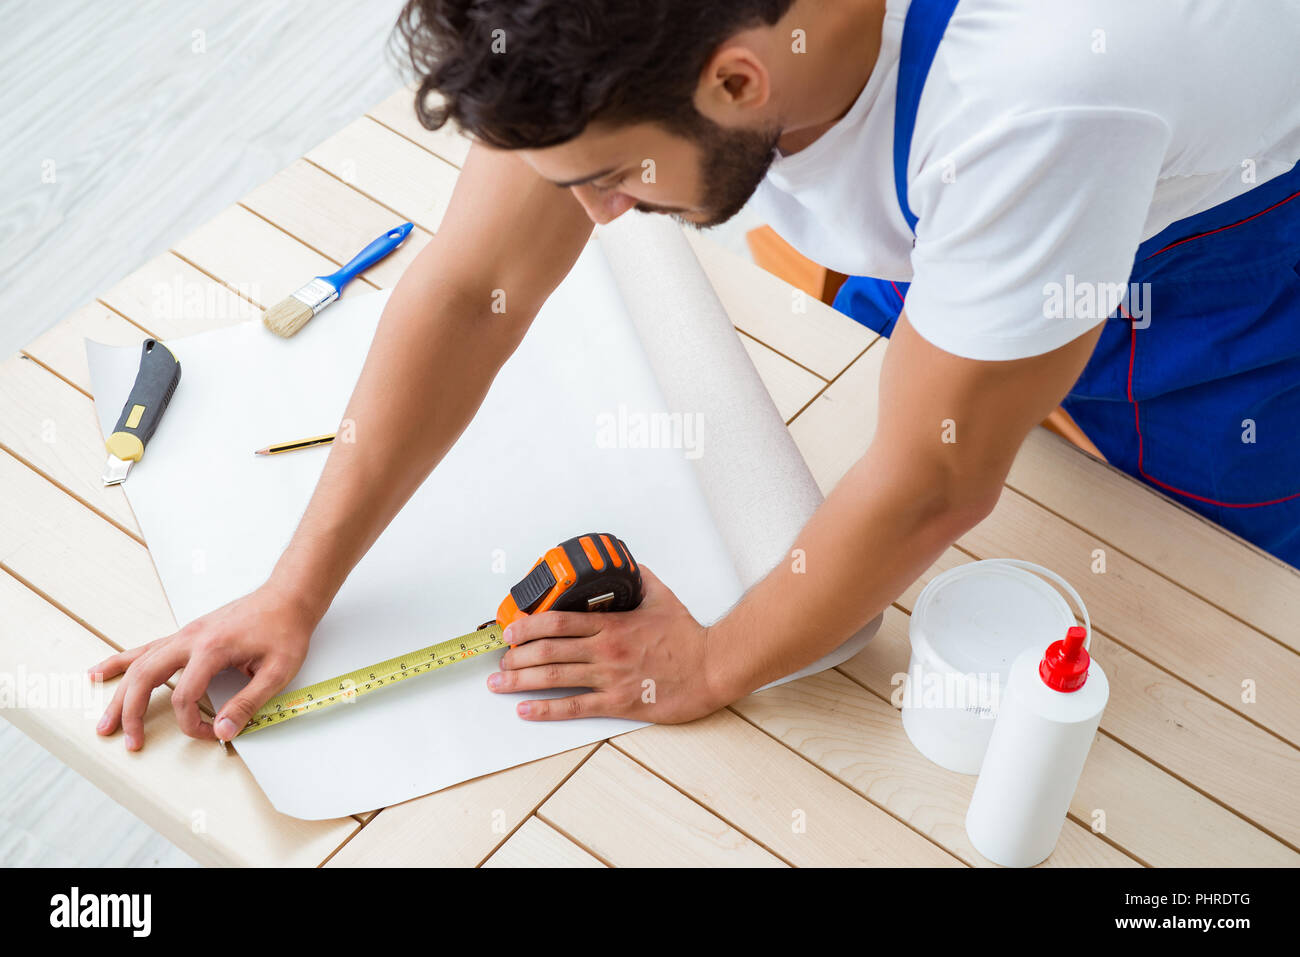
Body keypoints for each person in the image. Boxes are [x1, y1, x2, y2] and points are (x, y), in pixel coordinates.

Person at [93, 0, 1300, 750]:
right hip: (966, 192)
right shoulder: (621, 32)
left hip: (1208, 268)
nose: (601, 220)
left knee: (1210, 560)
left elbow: (934, 486)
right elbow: (471, 290)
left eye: (612, 178)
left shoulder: (1036, 99)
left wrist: (711, 661)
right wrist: (295, 590)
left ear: (735, 81)